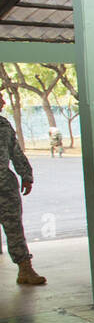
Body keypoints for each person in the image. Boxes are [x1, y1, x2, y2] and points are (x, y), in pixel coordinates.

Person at [0, 93, 44, 285]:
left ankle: (25, 269)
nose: (3, 102)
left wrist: (26, 175)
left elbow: (15, 152)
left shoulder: (3, 125)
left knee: (14, 227)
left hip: (5, 187)